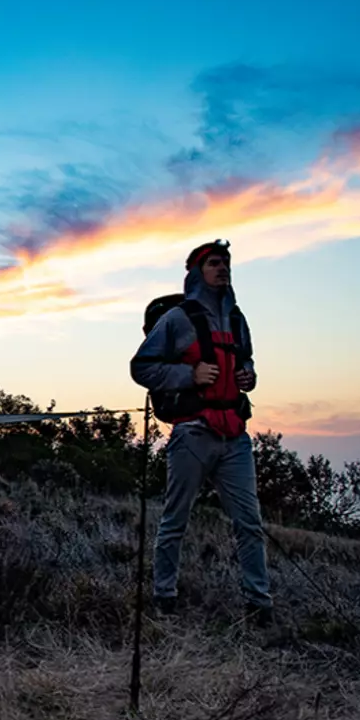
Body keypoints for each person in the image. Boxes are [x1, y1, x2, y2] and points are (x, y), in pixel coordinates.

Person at [130, 239, 273, 627]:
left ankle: (259, 604)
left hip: (235, 435)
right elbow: (142, 367)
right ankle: (164, 597)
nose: (222, 269)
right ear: (197, 272)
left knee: (250, 523)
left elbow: (247, 364)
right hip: (192, 433)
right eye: (214, 263)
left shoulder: (238, 319)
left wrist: (249, 377)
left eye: (226, 263)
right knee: (175, 519)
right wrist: (189, 375)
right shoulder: (177, 319)